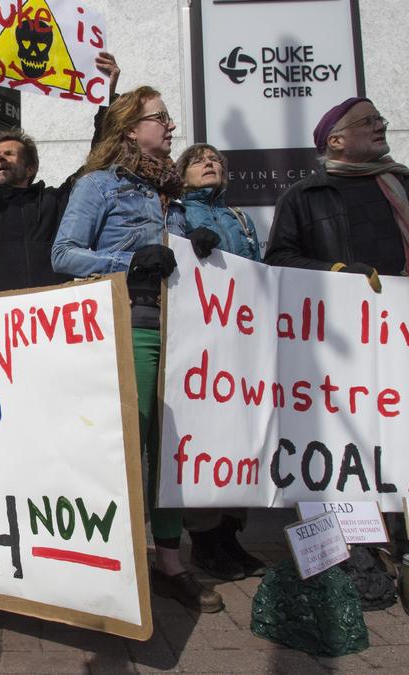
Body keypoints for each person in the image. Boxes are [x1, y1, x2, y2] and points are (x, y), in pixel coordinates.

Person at [52, 86, 223, 613]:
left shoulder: (175, 195)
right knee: (129, 443)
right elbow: (63, 254)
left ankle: (169, 561)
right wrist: (132, 264)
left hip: (184, 333)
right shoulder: (99, 185)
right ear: (130, 128)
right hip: (132, 324)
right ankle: (113, 557)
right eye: (161, 119)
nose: (171, 128)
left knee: (172, 447)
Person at [0, 53, 120, 291]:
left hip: (50, 321)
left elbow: (99, 161)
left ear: (30, 168)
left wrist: (108, 100)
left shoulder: (56, 202)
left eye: (10, 154)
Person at [265, 97, 409, 291]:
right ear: (336, 141)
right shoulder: (303, 196)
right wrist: (337, 273)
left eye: (379, 119)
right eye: (367, 122)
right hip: (346, 321)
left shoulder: (402, 184)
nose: (380, 127)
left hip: (408, 320)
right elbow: (279, 260)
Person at [173, 143, 266, 581]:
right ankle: (205, 542)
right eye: (198, 160)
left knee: (238, 437)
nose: (209, 164)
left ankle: (232, 535)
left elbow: (262, 273)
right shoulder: (175, 213)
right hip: (201, 341)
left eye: (215, 161)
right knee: (204, 437)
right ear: (183, 173)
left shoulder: (241, 219)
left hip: (242, 340)